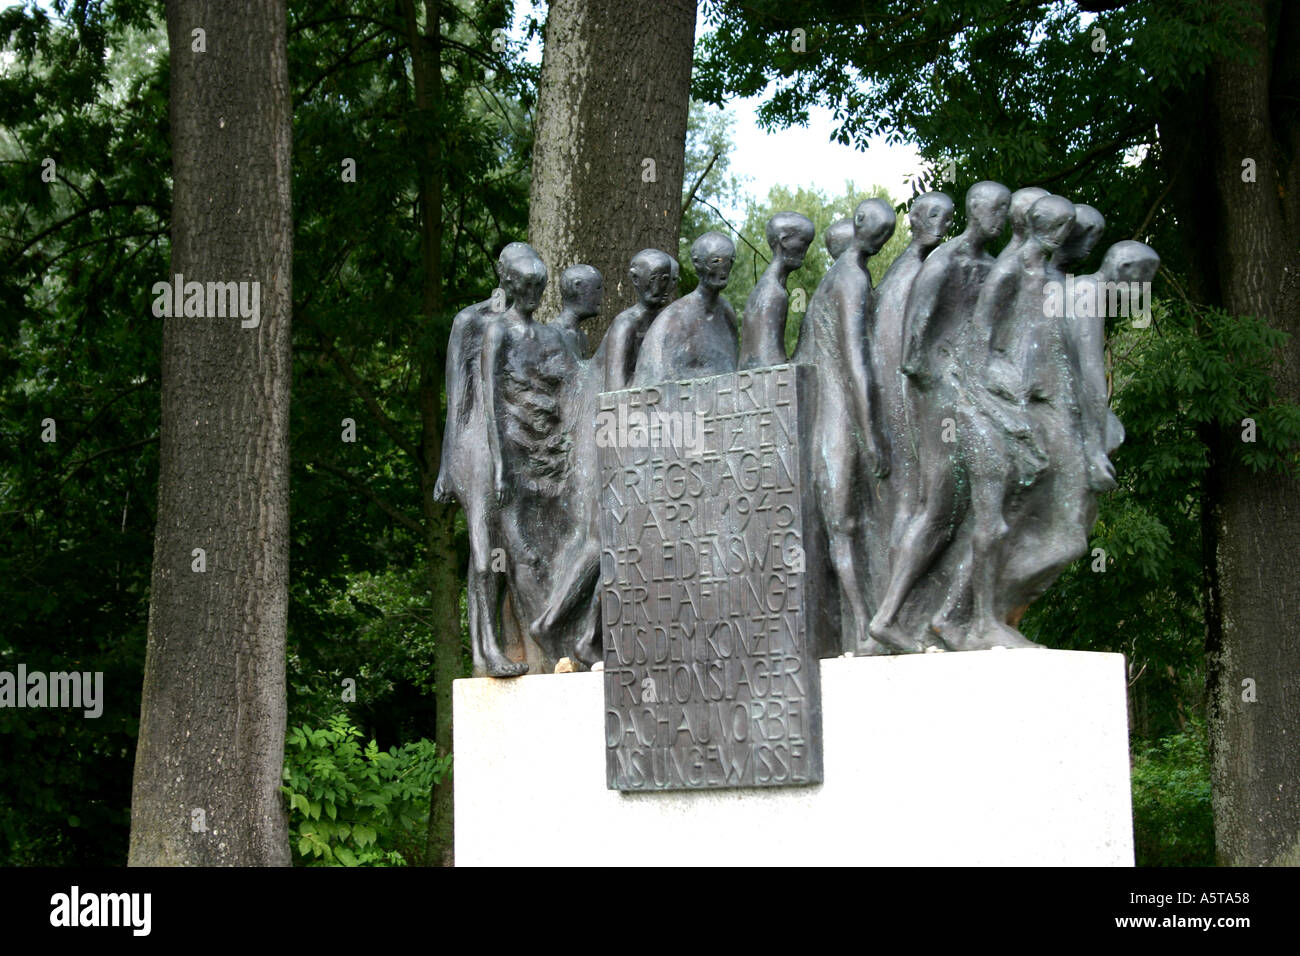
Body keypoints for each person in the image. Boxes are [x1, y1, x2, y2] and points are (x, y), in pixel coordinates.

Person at [868, 181, 1011, 652]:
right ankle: (890, 618)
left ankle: (961, 618)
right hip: (945, 401)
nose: (1001, 217)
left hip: (975, 395)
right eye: (996, 209)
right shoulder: (943, 262)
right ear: (976, 210)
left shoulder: (991, 268)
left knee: (963, 511)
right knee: (939, 511)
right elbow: (912, 349)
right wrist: (947, 382)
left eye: (1007, 210)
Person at [794, 198, 896, 652]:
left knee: (844, 526)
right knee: (844, 526)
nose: (880, 243)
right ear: (860, 229)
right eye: (880, 233)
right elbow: (857, 362)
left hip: (826, 418)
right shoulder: (852, 280)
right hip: (838, 421)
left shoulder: (835, 277)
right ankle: (863, 626)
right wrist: (872, 432)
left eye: (886, 235)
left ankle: (861, 625)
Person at [632, 231, 738, 387]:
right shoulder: (674, 319)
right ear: (697, 263)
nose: (723, 269)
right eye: (715, 261)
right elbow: (652, 383)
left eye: (730, 261)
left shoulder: (727, 312)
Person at [739, 212, 815, 369]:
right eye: (803, 242)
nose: (805, 250)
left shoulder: (770, 286)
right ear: (784, 241)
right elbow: (767, 362)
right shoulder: (774, 293)